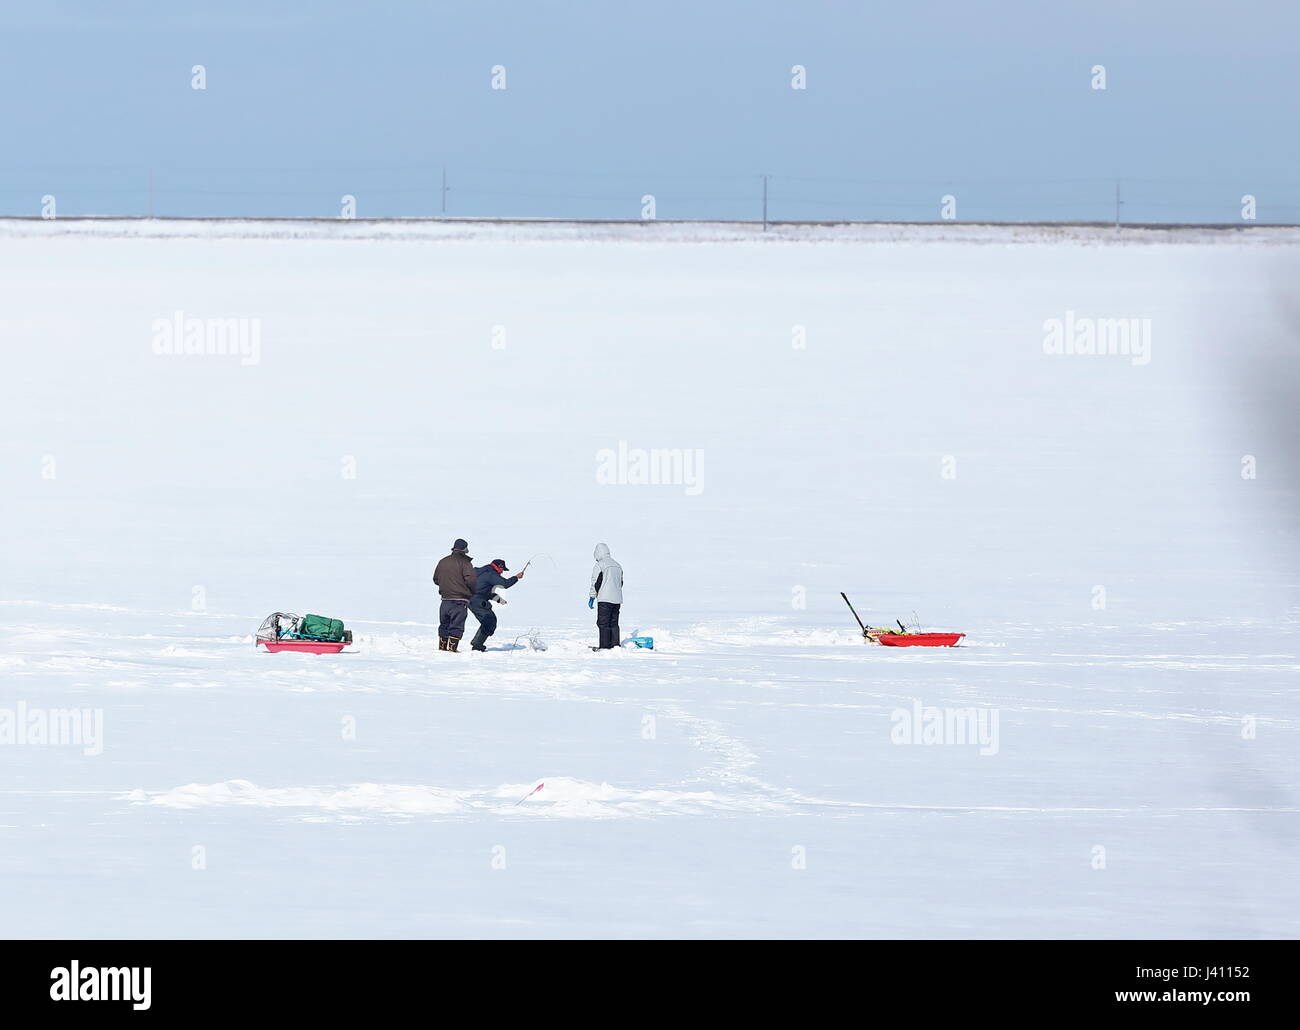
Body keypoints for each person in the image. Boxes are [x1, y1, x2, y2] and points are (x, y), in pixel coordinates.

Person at [468, 558, 524, 651]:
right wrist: (516, 577)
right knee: (490, 621)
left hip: (471, 599)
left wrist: (500, 600)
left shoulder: (482, 571)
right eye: (503, 570)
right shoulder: (491, 573)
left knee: (488, 621)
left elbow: (485, 591)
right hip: (477, 601)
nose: (502, 572)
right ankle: (477, 645)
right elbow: (505, 584)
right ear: (499, 567)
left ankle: (477, 643)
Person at [432, 538, 477, 652]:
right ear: (465, 549)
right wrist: (471, 591)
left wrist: (446, 586)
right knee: (457, 625)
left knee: (444, 624)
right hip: (460, 600)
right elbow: (471, 580)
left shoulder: (442, 561)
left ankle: (442, 647)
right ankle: (452, 649)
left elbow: (436, 579)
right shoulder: (465, 562)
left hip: (445, 599)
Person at [588, 542, 624, 650]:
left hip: (604, 599)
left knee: (603, 623)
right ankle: (615, 645)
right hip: (617, 599)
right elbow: (621, 583)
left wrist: (592, 597)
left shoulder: (600, 565)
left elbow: (596, 582)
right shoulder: (618, 565)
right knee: (613, 623)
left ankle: (604, 647)